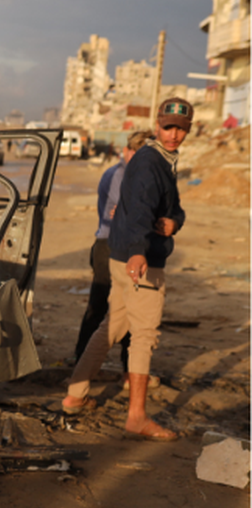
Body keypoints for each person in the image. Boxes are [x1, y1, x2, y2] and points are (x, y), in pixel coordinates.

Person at [62, 98, 192, 441]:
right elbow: (137, 211)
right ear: (158, 125)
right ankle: (136, 417)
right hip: (139, 259)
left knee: (112, 325)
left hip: (121, 257)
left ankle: (75, 395)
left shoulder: (161, 159)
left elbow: (173, 207)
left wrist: (175, 222)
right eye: (168, 127)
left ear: (188, 129)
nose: (174, 134)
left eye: (180, 128)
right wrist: (139, 252)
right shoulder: (151, 163)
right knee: (143, 336)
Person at [71, 131, 153, 369]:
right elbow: (127, 213)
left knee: (129, 307)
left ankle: (128, 365)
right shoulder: (119, 175)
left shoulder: (135, 175)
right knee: (100, 306)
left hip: (125, 246)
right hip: (110, 246)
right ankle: (81, 360)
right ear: (128, 151)